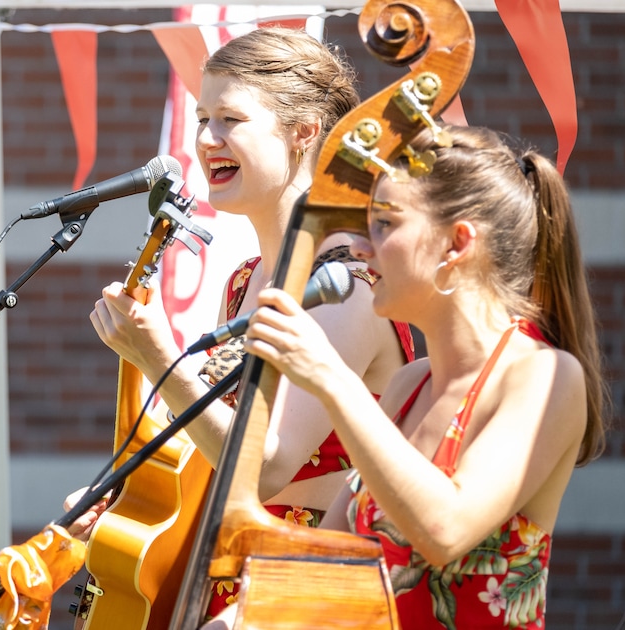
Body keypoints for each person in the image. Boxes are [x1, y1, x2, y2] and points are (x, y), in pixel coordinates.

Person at [73, 27, 415, 617]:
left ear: (304, 131)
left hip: (298, 587)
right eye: (203, 117)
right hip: (221, 568)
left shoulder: (350, 286)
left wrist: (158, 359)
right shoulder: (244, 281)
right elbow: (211, 452)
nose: (207, 139)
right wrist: (123, 501)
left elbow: (269, 468)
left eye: (230, 118)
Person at [243, 124, 607, 628]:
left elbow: (445, 529)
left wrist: (331, 377)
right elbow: (321, 563)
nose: (363, 248)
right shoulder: (407, 385)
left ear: (457, 244)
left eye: (385, 225)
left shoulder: (546, 375)